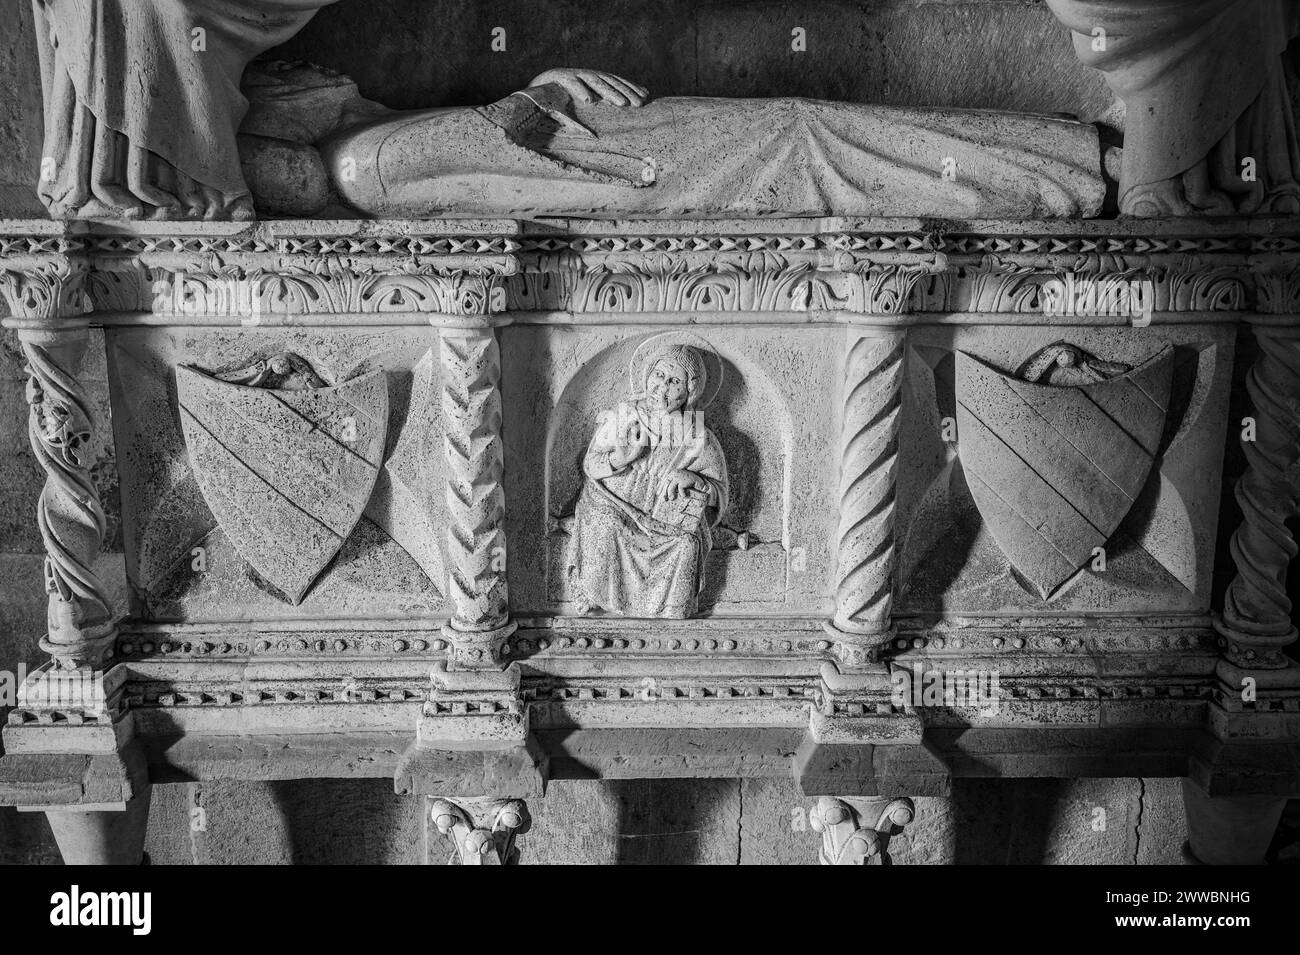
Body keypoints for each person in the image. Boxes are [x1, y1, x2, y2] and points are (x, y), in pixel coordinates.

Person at [568, 344, 729, 618]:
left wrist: (693, 479)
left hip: (664, 521)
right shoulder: (625, 415)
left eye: (674, 381)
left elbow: (719, 493)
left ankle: (670, 612)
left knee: (687, 545)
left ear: (690, 391)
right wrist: (620, 458)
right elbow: (591, 465)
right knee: (607, 525)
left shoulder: (698, 436)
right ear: (647, 376)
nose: (662, 386)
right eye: (659, 375)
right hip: (612, 503)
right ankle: (593, 592)